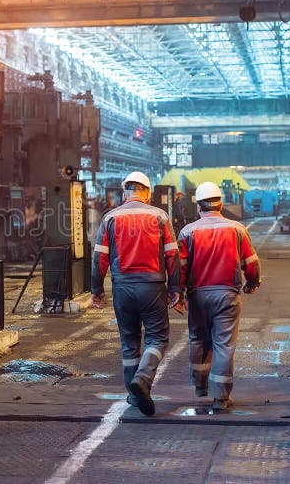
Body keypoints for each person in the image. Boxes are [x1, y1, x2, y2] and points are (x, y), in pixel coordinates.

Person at [91, 171, 182, 416]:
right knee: (158, 338)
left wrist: (96, 289)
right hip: (152, 286)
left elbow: (100, 257)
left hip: (122, 287)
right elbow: (172, 256)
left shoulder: (110, 217)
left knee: (129, 343)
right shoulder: (159, 216)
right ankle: (142, 379)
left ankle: (133, 395)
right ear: (148, 193)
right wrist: (175, 289)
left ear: (125, 193)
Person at [178, 181, 261, 411]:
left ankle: (200, 386)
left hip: (197, 296)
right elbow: (251, 262)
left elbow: (180, 267)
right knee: (223, 345)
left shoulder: (188, 232)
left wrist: (178, 292)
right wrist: (252, 282)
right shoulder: (237, 229)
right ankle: (221, 397)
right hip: (227, 295)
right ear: (221, 204)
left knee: (198, 339)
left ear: (198, 207)